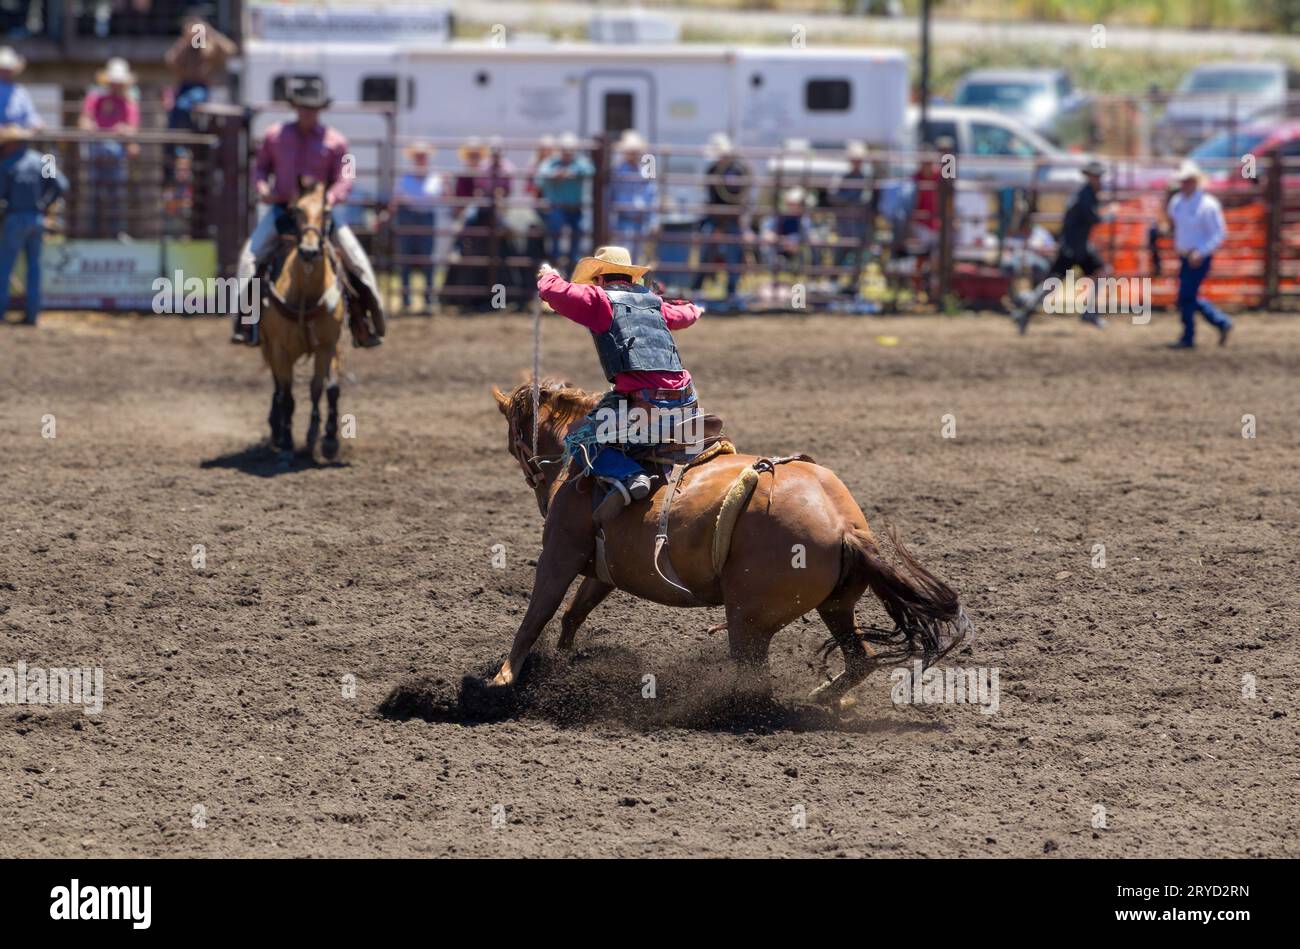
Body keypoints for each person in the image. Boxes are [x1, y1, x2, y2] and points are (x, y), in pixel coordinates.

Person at [536, 246, 703, 524]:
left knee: (578, 439)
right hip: (688, 402)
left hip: (650, 408)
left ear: (599, 277)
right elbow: (686, 314)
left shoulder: (599, 300)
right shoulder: (654, 303)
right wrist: (696, 308)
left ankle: (629, 476)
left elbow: (555, 292)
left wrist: (547, 275)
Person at [232, 79, 385, 347]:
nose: (308, 112)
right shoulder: (274, 136)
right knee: (250, 257)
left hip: (320, 213)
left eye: (313, 108)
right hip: (282, 208)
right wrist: (262, 187)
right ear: (295, 107)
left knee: (355, 259)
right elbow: (259, 169)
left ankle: (368, 321)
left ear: (320, 110)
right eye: (303, 107)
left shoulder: (338, 142)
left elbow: (347, 176)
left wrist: (330, 198)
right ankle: (245, 322)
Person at [1011, 159, 1111, 333]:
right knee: (1053, 283)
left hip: (1076, 247)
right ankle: (1026, 308)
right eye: (1097, 176)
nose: (1099, 180)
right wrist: (1109, 215)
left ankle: (1089, 311)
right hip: (1074, 248)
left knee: (1098, 272)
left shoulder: (1085, 194)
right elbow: (1092, 218)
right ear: (1090, 177)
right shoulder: (1085, 196)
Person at [0, 125, 68, 326]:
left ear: (11, 143)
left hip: (14, 218)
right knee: (34, 267)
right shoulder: (41, 160)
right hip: (37, 219)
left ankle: (1, 312)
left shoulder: (7, 164)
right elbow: (61, 185)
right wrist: (44, 205)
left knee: (5, 266)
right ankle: (32, 314)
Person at [163, 9, 237, 180]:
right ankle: (178, 147)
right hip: (185, 87)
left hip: (202, 88)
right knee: (177, 114)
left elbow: (230, 50)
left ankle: (190, 135)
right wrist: (185, 39)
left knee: (185, 105)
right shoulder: (186, 47)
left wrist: (209, 32)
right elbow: (170, 61)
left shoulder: (209, 44)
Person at [1165, 159, 1231, 349]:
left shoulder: (1208, 205)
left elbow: (1219, 233)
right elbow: (1175, 225)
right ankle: (1220, 322)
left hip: (1199, 257)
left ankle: (1189, 335)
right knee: (1188, 296)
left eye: (1187, 180)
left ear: (1195, 181)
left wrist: (1201, 252)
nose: (1184, 184)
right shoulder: (1177, 202)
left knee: (1186, 295)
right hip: (1185, 255)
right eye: (1182, 181)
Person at [79, 57, 140, 237]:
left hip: (116, 157)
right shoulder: (94, 98)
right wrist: (90, 127)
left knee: (116, 197)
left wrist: (123, 131)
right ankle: (93, 232)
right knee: (94, 196)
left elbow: (132, 128)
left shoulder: (129, 102)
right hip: (96, 153)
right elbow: (84, 121)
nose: (116, 85)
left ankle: (116, 232)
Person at [692, 132, 750, 308]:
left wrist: (722, 225)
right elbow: (712, 200)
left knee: (734, 253)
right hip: (715, 219)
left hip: (731, 220)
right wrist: (717, 225)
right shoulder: (713, 170)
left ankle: (731, 290)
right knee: (705, 248)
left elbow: (739, 200)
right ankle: (698, 288)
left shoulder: (737, 170)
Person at [392, 140, 441, 313]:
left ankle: (428, 300)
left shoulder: (435, 178)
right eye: (418, 156)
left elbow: (439, 197)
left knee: (428, 259)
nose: (421, 159)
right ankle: (406, 300)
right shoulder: (405, 177)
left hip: (427, 217)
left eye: (423, 156)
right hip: (408, 216)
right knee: (405, 259)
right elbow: (397, 199)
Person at [535, 131, 593, 269]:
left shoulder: (579, 162)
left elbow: (589, 169)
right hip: (558, 207)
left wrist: (573, 171)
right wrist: (555, 175)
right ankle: (556, 263)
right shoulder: (553, 162)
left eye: (570, 151)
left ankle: (573, 264)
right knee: (555, 237)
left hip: (574, 207)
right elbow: (540, 178)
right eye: (565, 151)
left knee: (578, 234)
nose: (567, 154)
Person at [829, 140, 874, 293]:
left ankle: (854, 286)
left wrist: (847, 200)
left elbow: (865, 199)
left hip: (859, 226)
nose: (857, 162)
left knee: (858, 259)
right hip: (844, 225)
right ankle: (833, 286)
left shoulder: (865, 178)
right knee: (839, 256)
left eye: (859, 159)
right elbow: (833, 196)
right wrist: (852, 200)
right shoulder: (842, 176)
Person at [608, 130, 658, 261]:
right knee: (623, 255)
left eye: (635, 151)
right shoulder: (618, 170)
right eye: (630, 151)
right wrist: (609, 221)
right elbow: (611, 195)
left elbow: (651, 194)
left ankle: (632, 280)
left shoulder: (645, 170)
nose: (633, 154)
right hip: (623, 219)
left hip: (641, 220)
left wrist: (653, 219)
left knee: (637, 255)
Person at [0, 47, 42, 129]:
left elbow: (31, 115)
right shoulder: (19, 91)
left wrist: (37, 123)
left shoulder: (20, 91)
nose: (5, 72)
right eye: (2, 69)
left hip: (17, 136)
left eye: (7, 69)